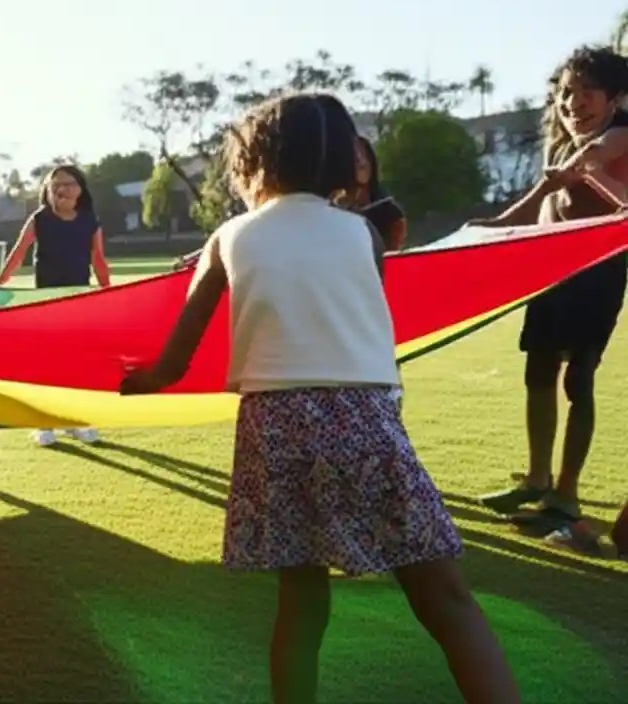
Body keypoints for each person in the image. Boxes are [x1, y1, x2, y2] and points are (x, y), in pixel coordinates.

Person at [120, 92, 519, 704]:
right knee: (445, 598)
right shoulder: (364, 236)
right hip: (365, 419)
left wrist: (136, 379)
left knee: (301, 606)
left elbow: (173, 364)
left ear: (256, 162)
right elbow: (366, 324)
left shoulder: (228, 238)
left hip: (275, 427)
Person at [471, 47, 628, 551]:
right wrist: (495, 228)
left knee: (578, 377)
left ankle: (566, 495)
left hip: (598, 274)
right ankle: (537, 480)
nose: (574, 103)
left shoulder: (617, 137)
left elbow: (616, 194)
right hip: (553, 275)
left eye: (587, 93)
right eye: (566, 93)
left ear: (616, 99)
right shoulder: (565, 147)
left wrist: (589, 170)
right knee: (537, 370)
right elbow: (536, 204)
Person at [0, 165, 112, 447]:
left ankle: (75, 421)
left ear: (79, 189)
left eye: (67, 184)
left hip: (79, 301)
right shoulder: (41, 219)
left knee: (77, 363)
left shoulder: (89, 220)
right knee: (47, 363)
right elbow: (19, 253)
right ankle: (43, 422)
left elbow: (98, 260)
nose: (61, 189)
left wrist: (109, 294)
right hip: (46, 302)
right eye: (54, 185)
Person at [351, 136, 408, 251]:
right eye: (355, 157)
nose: (361, 161)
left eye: (364, 154)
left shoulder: (390, 213)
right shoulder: (332, 209)